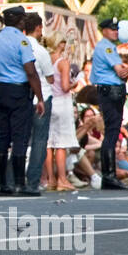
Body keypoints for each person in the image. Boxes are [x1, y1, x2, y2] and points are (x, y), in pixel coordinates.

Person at [0, 6, 45, 196]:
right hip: (19, 92)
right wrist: (40, 97)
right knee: (20, 137)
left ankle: (1, 183)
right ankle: (20, 184)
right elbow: (30, 70)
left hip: (1, 90)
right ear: (20, 21)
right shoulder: (22, 41)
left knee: (3, 137)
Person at [88, 18, 128, 191]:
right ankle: (109, 175)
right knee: (112, 134)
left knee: (112, 133)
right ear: (104, 31)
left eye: (116, 29)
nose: (116, 32)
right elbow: (120, 71)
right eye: (112, 29)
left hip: (108, 91)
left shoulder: (105, 46)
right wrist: (127, 70)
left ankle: (110, 174)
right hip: (111, 91)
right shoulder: (107, 47)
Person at [22, 13, 54, 194]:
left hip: (25, 99)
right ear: (38, 28)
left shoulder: (18, 47)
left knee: (20, 140)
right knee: (39, 141)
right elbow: (50, 78)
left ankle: (14, 178)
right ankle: (32, 181)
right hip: (42, 97)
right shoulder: (41, 51)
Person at [46, 31, 80, 192]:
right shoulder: (63, 62)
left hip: (49, 101)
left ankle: (50, 179)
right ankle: (62, 179)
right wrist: (75, 84)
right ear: (60, 44)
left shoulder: (46, 60)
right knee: (61, 144)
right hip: (62, 102)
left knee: (49, 143)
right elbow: (65, 86)